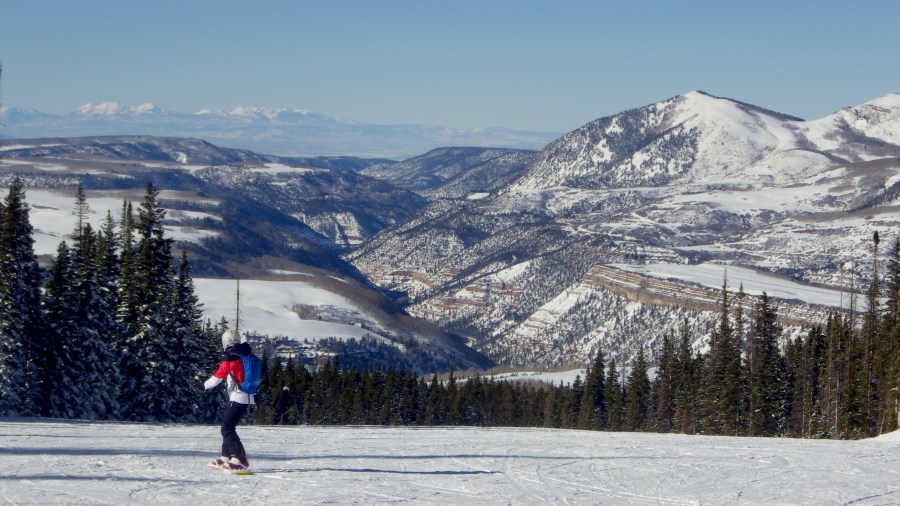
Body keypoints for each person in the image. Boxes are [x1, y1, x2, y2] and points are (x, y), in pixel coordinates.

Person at [204, 330, 254, 470]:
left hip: (239, 397)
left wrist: (202, 386)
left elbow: (216, 378)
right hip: (248, 397)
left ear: (226, 342)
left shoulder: (231, 358)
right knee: (229, 426)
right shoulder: (246, 354)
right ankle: (226, 457)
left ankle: (240, 458)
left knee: (226, 428)